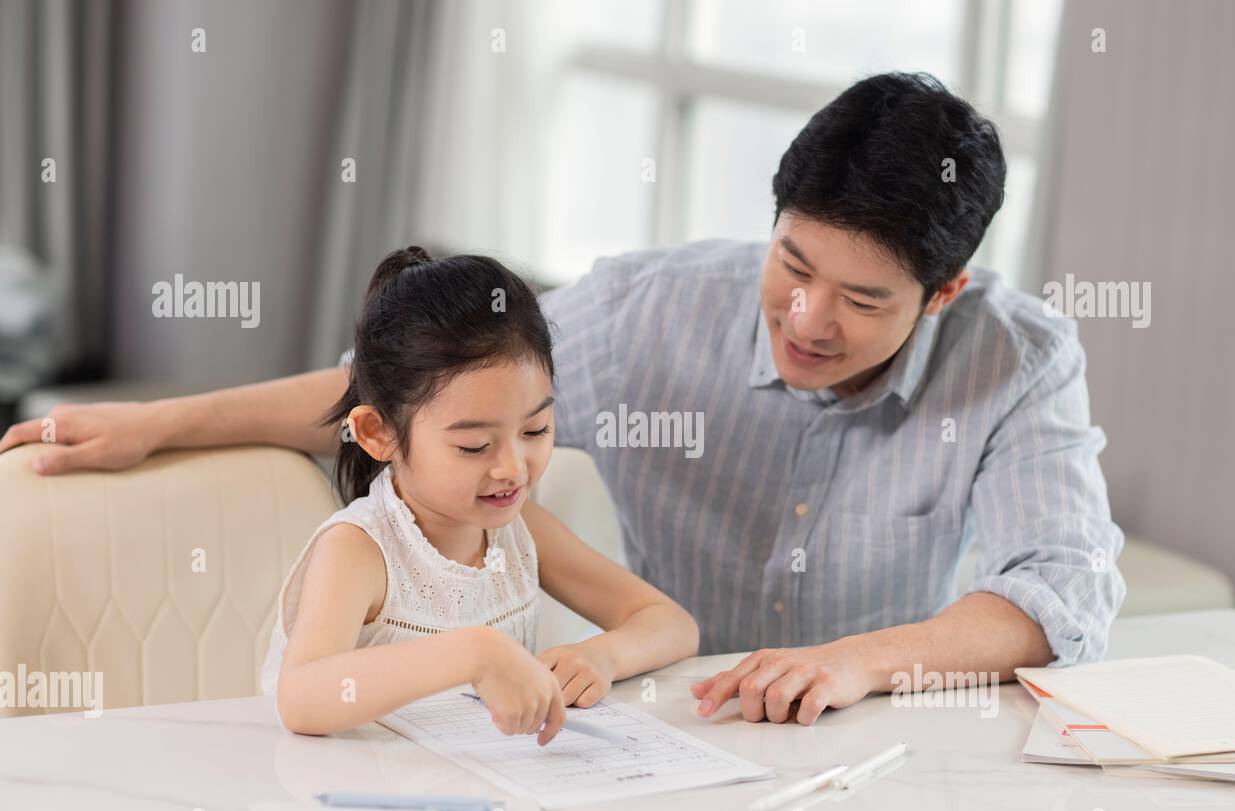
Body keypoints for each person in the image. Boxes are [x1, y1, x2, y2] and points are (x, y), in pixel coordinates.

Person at [0, 73, 1125, 727]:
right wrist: (151, 421)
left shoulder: (1017, 359)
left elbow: (1061, 592)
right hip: (663, 735)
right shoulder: (652, 312)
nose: (806, 320)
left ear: (943, 295)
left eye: (862, 300)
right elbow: (410, 384)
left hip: (865, 731)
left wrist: (858, 660)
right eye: (790, 266)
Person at [261, 246, 698, 736]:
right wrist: (474, 653)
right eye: (474, 446)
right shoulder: (360, 549)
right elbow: (302, 698)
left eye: (535, 431)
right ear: (378, 434)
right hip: (353, 800)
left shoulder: (521, 528)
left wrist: (601, 655)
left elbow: (671, 623)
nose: (513, 468)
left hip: (478, 794)